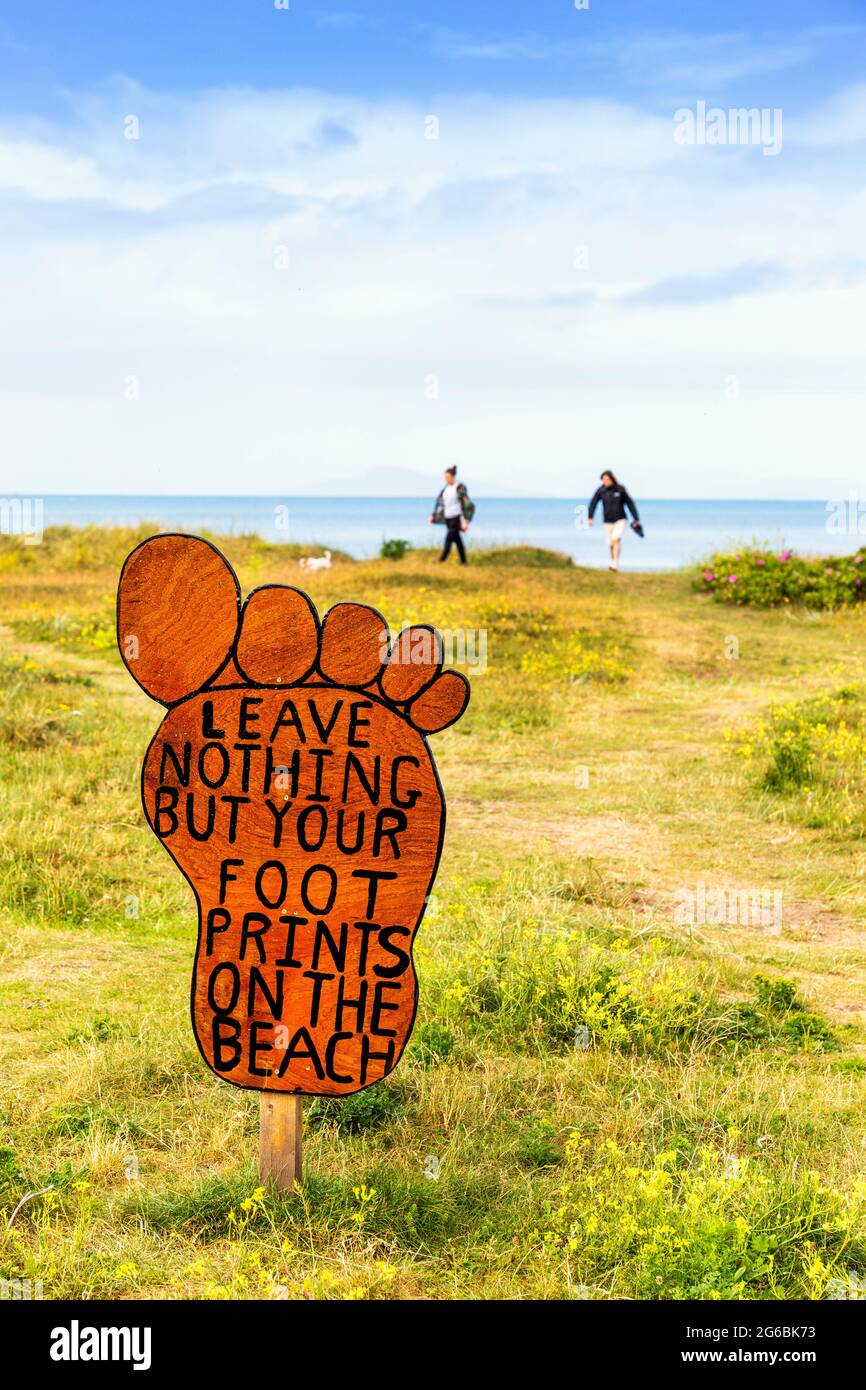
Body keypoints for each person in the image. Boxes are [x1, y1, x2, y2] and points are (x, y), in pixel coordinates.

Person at [587, 470, 640, 571]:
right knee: (611, 544)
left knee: (616, 539)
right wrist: (590, 517)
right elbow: (593, 503)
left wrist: (636, 518)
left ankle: (615, 563)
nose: (605, 482)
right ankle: (614, 563)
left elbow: (630, 503)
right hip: (607, 521)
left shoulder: (620, 489)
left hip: (620, 519)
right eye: (603, 480)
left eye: (607, 479)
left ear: (612, 479)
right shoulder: (601, 490)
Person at [429, 467, 474, 564]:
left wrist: (467, 519)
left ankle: (441, 561)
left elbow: (467, 503)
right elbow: (440, 504)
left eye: (448, 477)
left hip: (456, 517)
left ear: (453, 476)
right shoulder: (445, 489)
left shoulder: (459, 487)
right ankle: (464, 562)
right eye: (445, 477)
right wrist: (433, 515)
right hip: (447, 518)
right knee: (457, 540)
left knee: (448, 539)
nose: (446, 479)